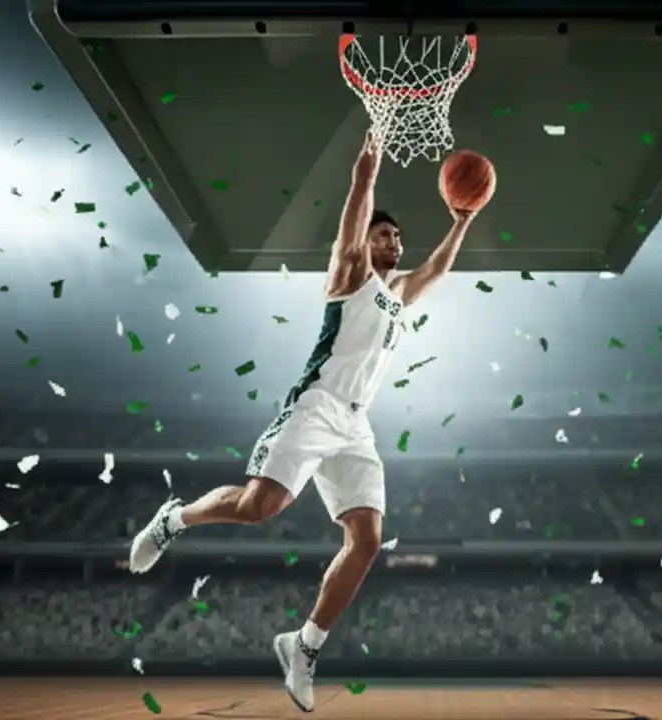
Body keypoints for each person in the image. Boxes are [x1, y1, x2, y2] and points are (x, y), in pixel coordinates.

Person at [127, 131, 482, 712]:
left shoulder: (396, 295)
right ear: (366, 241)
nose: (396, 240)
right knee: (258, 507)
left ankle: (305, 644)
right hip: (315, 405)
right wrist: (372, 150)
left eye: (398, 236)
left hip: (357, 425)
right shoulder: (349, 274)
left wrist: (462, 219)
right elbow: (360, 195)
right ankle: (176, 519)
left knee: (367, 540)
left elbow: (437, 269)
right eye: (386, 234)